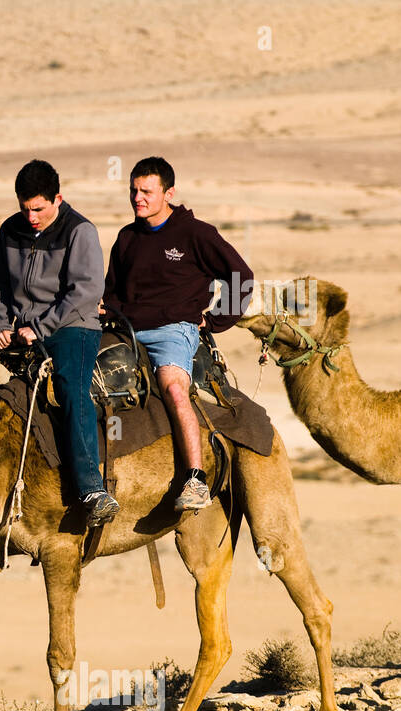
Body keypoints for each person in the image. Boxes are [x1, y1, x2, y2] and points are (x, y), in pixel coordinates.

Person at [0, 158, 118, 526]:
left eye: (38, 208)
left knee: (72, 391)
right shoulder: (10, 231)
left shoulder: (80, 231)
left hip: (72, 328)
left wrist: (41, 327)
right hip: (22, 333)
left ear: (58, 198)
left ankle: (92, 489)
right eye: (24, 208)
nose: (31, 217)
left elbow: (86, 291)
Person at [101, 156, 252, 511]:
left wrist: (215, 320)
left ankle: (196, 479)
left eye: (146, 192)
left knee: (172, 387)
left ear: (168, 193)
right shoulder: (126, 238)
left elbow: (241, 276)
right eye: (134, 191)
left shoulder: (196, 234)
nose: (138, 198)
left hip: (173, 330)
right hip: (127, 332)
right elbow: (112, 293)